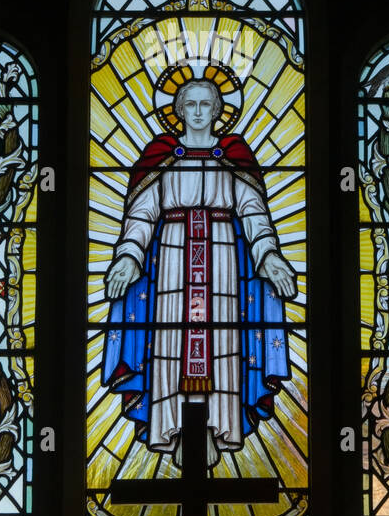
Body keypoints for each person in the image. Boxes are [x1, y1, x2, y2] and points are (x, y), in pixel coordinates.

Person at [103, 78, 297, 464]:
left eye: (205, 104)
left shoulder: (234, 156)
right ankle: (170, 424)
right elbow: (141, 215)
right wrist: (128, 255)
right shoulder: (161, 156)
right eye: (188, 104)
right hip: (172, 263)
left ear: (217, 110)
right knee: (169, 344)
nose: (196, 112)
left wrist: (269, 255)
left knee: (225, 345)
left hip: (224, 259)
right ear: (177, 110)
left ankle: (217, 426)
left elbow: (255, 215)